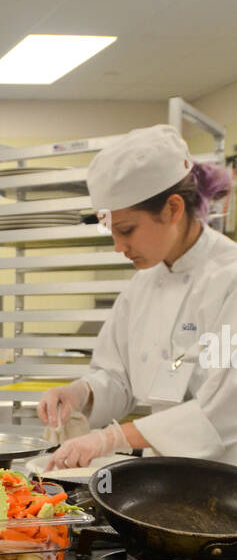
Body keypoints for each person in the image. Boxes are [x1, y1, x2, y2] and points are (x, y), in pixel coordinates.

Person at [39, 125, 237, 469]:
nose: (118, 247)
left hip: (225, 478)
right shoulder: (142, 285)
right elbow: (118, 377)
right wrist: (82, 392)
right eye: (111, 232)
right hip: (160, 475)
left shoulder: (229, 279)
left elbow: (220, 412)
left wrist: (112, 438)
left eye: (126, 230)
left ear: (173, 208)